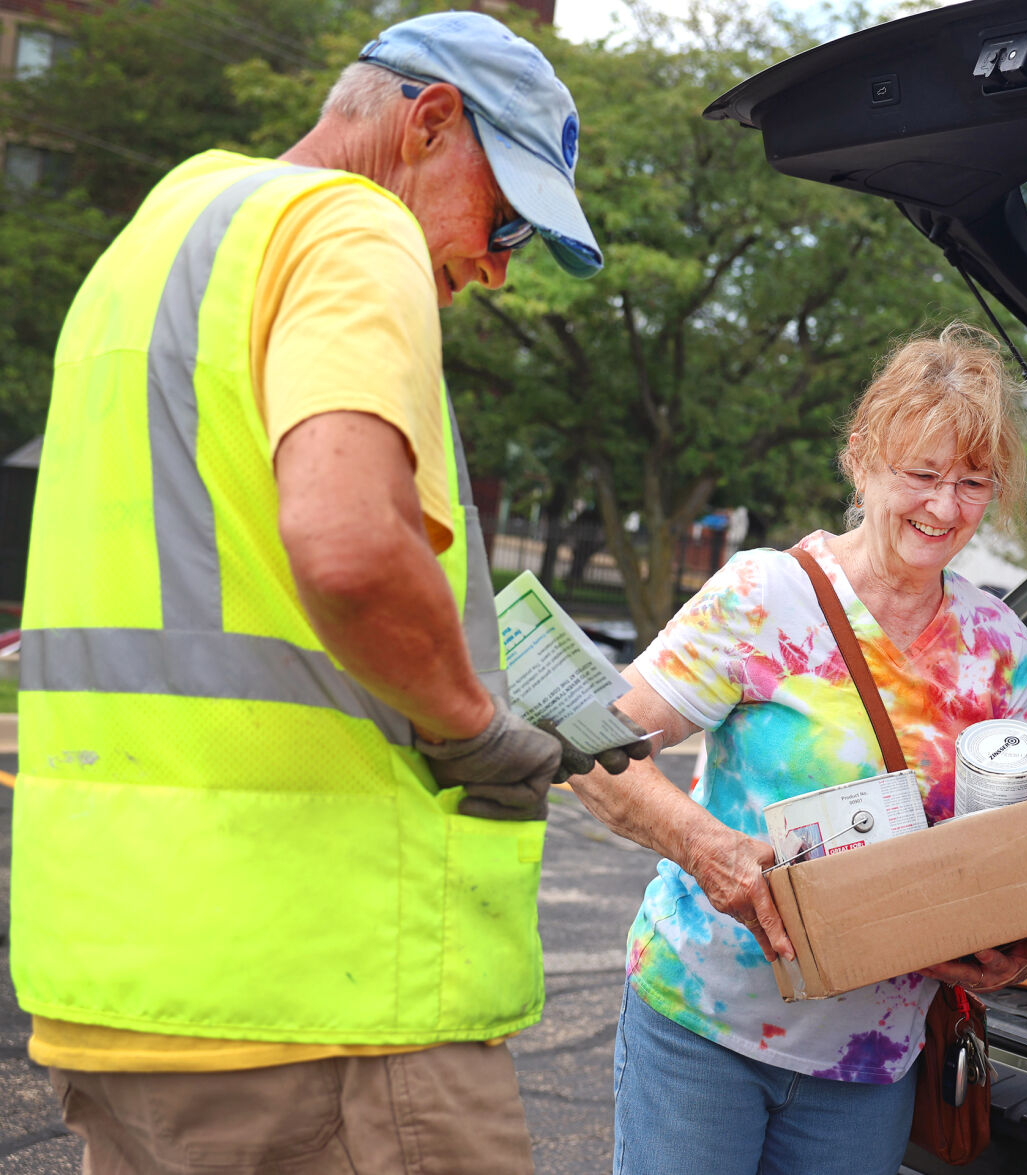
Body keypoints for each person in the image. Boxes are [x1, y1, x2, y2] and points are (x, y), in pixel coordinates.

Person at [11, 12, 643, 1172]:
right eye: (505, 217)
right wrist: (473, 725)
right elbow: (347, 544)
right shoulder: (352, 226)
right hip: (322, 1000)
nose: (496, 265)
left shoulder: (157, 241)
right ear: (429, 122)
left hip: (117, 979)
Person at [567, 323, 1027, 1175]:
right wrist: (706, 847)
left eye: (972, 482)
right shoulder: (765, 596)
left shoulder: (1000, 648)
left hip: (869, 1064)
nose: (944, 508)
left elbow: (992, 856)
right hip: (704, 1028)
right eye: (921, 474)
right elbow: (593, 746)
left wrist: (993, 944)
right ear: (861, 458)